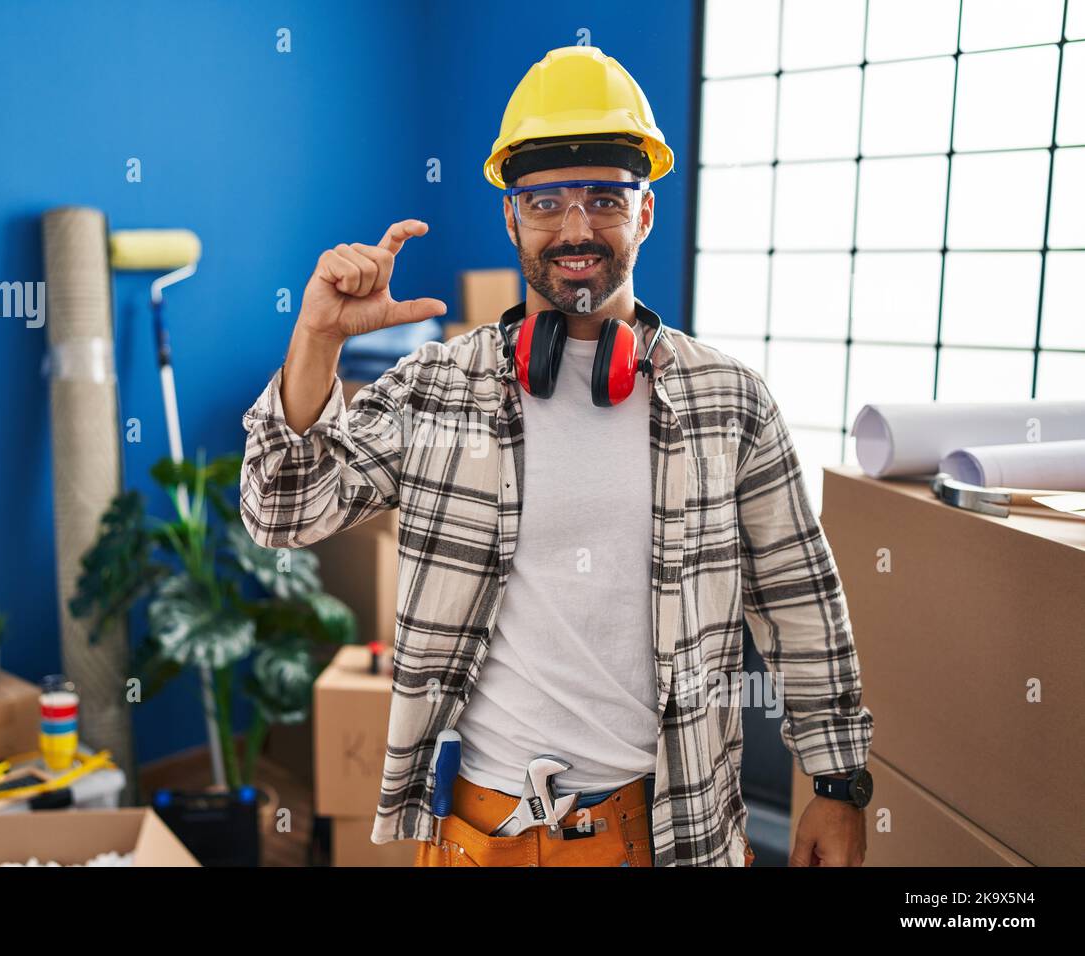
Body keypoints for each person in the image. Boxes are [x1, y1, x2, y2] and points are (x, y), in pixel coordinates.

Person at [240, 46, 873, 867]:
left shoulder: (731, 401)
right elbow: (280, 511)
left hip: (667, 836)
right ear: (512, 219)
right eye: (545, 202)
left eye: (605, 198)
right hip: (475, 839)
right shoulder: (437, 389)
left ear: (644, 214)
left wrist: (837, 783)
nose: (575, 228)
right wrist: (316, 336)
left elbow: (799, 597)